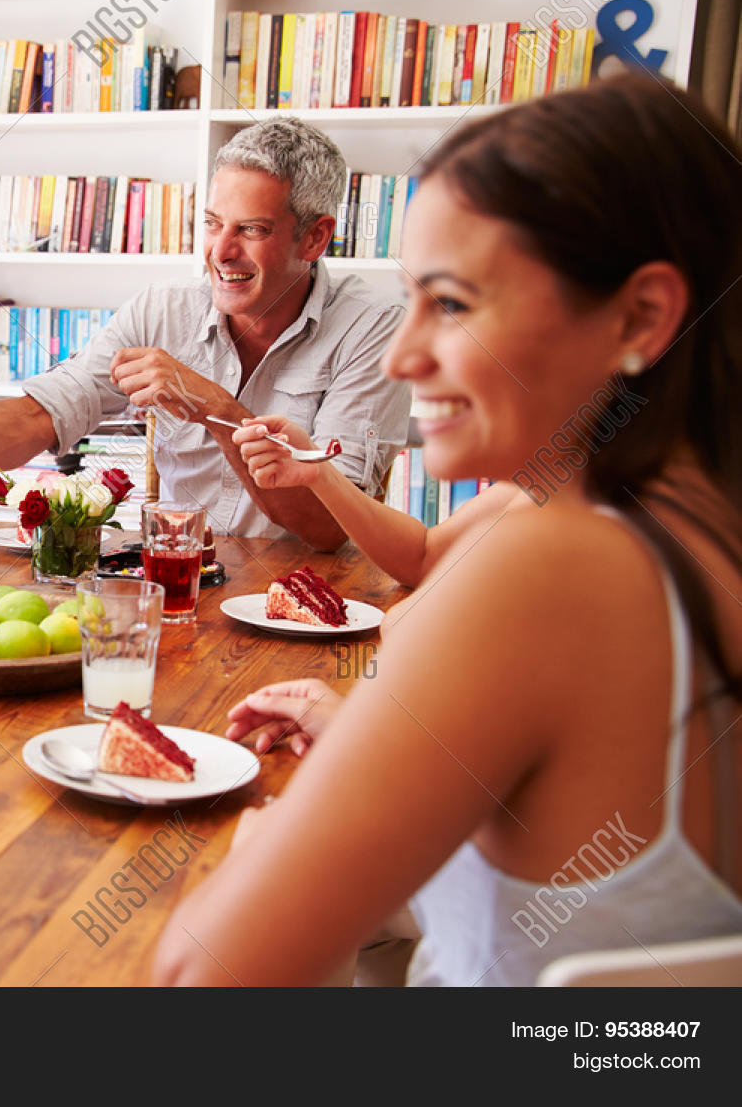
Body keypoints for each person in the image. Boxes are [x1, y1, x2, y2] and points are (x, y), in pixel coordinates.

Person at [152, 75, 742, 986]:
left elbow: (202, 975)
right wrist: (374, 732)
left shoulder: (560, 565)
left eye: (455, 303)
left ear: (643, 316)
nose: (400, 355)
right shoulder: (681, 515)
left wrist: (255, 855)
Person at [0, 118, 411, 550]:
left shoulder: (372, 328)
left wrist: (218, 409)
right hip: (183, 579)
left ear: (315, 236)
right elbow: (47, 410)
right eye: (213, 224)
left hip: (310, 591)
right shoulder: (162, 309)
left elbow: (331, 529)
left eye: (252, 230)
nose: (221, 251)